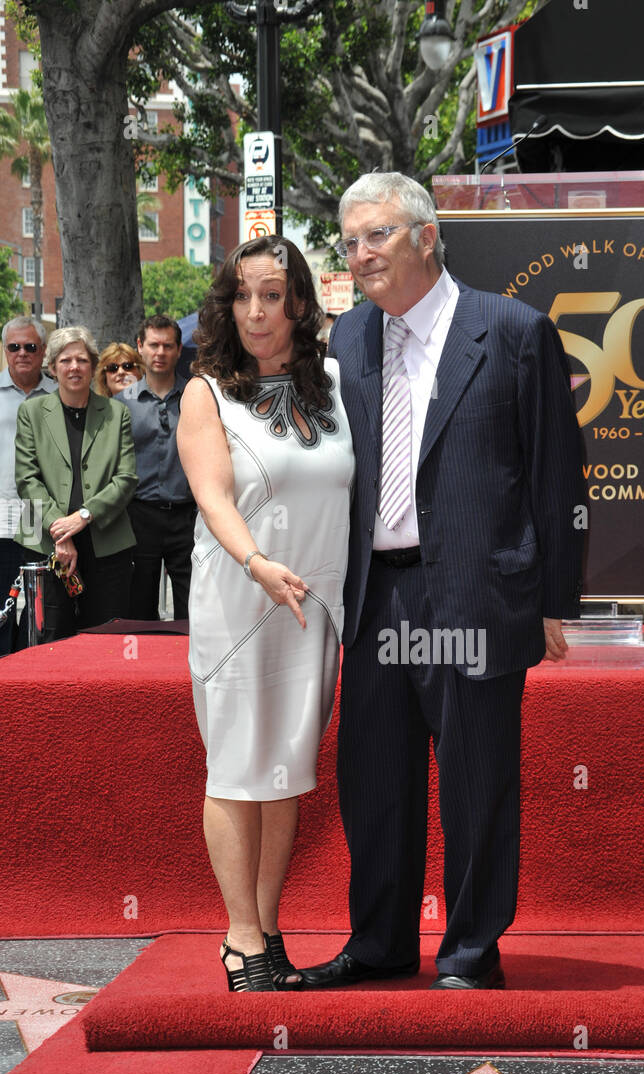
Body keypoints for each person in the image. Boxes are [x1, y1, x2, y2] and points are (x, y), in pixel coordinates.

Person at [301, 171, 585, 993]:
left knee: (475, 779)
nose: (359, 255)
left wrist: (554, 604)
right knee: (375, 781)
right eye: (350, 241)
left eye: (376, 236)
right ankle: (380, 943)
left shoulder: (512, 330)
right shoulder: (346, 339)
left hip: (475, 592)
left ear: (425, 235)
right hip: (377, 595)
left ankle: (468, 952)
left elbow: (557, 478)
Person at [177, 236, 355, 993]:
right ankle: (237, 934)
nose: (256, 309)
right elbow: (213, 497)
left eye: (273, 294)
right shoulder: (205, 392)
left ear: (301, 304)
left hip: (313, 608)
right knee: (237, 767)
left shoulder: (340, 385)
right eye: (243, 294)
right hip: (240, 601)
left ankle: (270, 927)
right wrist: (256, 562)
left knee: (287, 773)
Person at [15, 325, 137, 641]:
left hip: (107, 545)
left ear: (93, 365)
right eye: (65, 360)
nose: (74, 367)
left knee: (107, 639)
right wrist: (61, 528)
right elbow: (27, 479)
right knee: (54, 638)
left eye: (82, 360)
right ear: (52, 368)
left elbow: (126, 479)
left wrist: (82, 517)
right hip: (48, 545)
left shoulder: (116, 413)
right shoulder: (31, 412)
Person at [120, 315, 193, 621]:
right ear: (140, 347)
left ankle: (190, 668)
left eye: (167, 345)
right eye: (153, 345)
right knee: (140, 605)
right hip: (140, 514)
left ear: (178, 350)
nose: (160, 352)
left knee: (192, 607)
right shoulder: (121, 403)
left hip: (188, 515)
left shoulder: (196, 397)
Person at [0, 316, 56, 656]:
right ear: (5, 351)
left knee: (40, 611)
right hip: (2, 514)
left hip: (43, 516)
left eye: (31, 347)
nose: (22, 353)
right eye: (14, 347)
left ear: (44, 351)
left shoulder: (59, 393)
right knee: (3, 605)